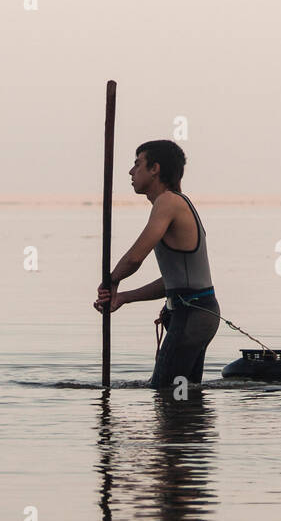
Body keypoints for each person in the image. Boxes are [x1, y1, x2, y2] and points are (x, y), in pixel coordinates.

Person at [94, 140, 219, 388]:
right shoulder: (174, 204)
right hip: (198, 313)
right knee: (184, 396)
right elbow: (173, 282)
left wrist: (111, 281)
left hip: (192, 315)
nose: (131, 172)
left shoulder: (168, 202)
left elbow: (134, 258)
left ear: (155, 169)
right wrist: (124, 297)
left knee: (164, 391)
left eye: (137, 164)